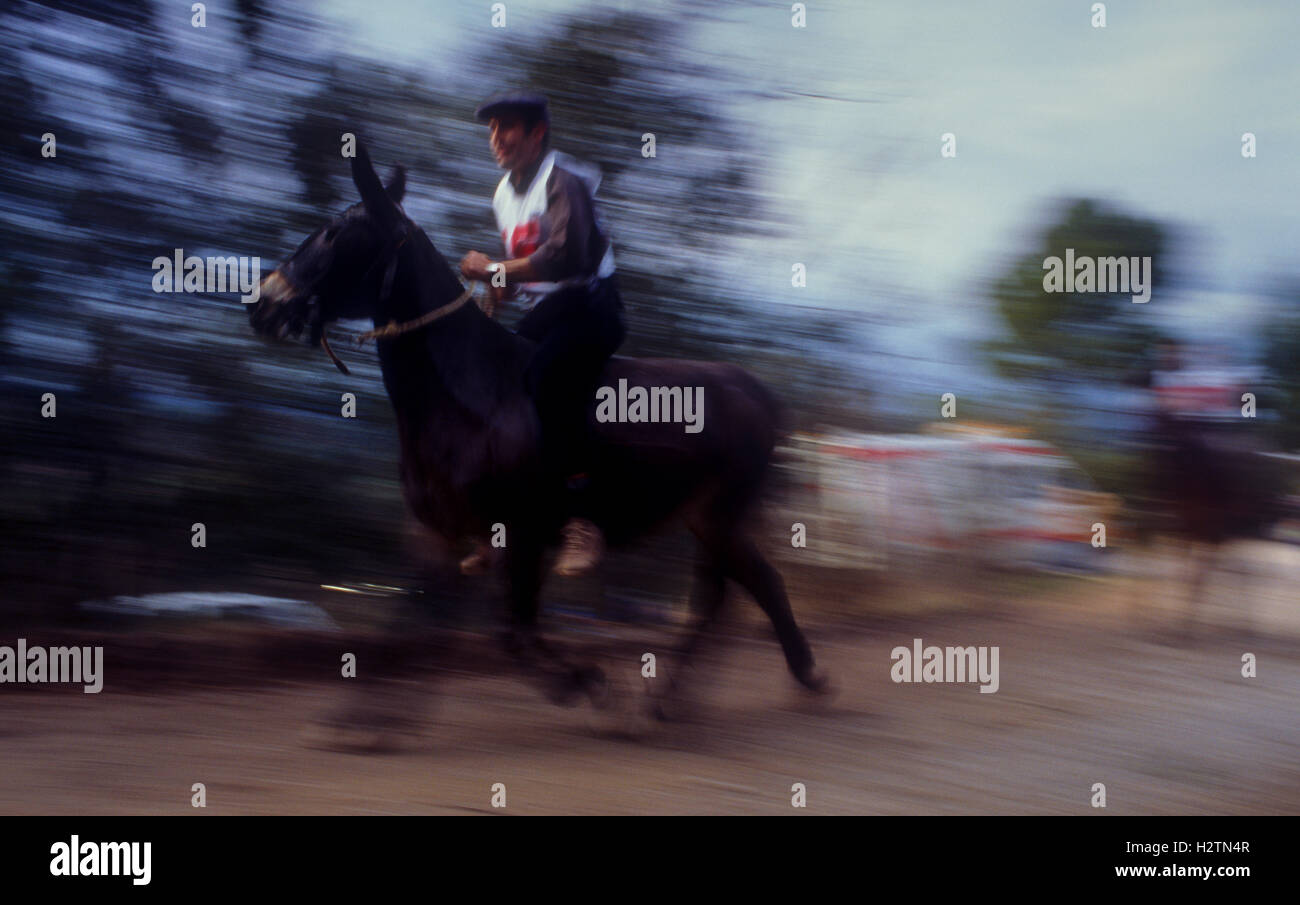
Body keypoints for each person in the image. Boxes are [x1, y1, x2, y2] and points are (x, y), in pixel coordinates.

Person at [458, 93, 625, 577]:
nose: (497, 139)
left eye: (507, 127)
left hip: (593, 306)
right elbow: (528, 271)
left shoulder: (564, 181)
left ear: (537, 134)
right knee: (492, 376)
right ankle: (500, 521)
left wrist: (492, 269)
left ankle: (583, 521)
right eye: (491, 129)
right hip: (552, 310)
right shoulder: (501, 195)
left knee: (546, 379)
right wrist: (501, 287)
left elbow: (568, 258)